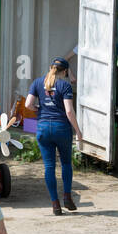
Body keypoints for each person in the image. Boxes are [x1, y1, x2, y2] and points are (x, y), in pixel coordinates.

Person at [25, 58, 85, 214]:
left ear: (50, 68)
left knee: (49, 166)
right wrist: (78, 131)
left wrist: (39, 108)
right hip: (61, 128)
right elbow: (69, 112)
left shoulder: (38, 83)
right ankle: (67, 196)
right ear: (64, 71)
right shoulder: (65, 85)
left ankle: (55, 204)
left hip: (43, 128)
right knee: (65, 163)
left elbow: (27, 105)